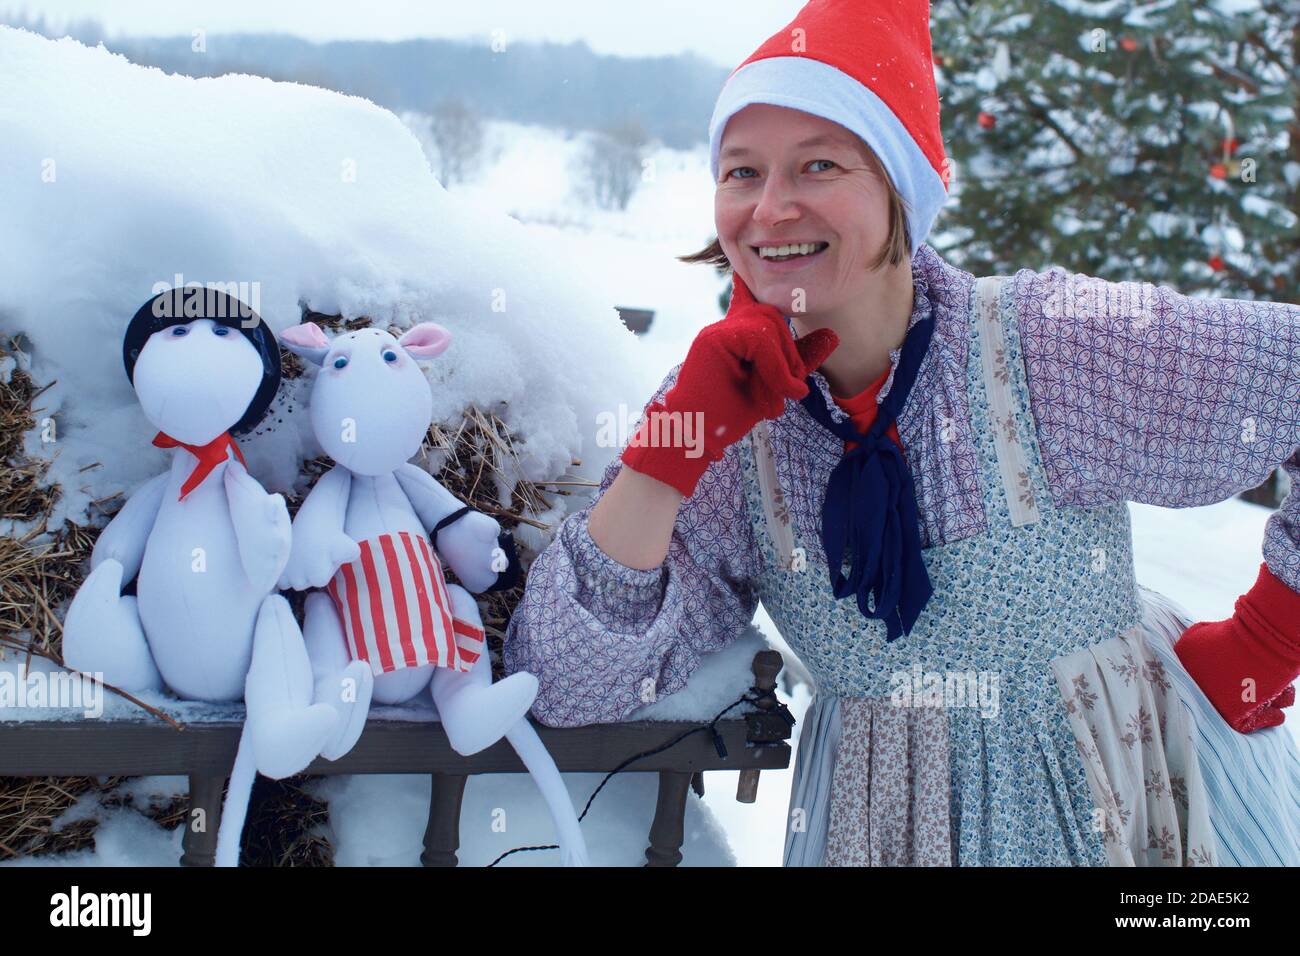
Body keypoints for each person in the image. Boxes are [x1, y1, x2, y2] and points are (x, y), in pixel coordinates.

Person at [504, 0, 1300, 866]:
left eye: (818, 164)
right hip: (875, 824)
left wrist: (1266, 639)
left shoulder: (1048, 342)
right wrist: (669, 453)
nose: (770, 209)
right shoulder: (723, 418)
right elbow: (567, 685)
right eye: (741, 173)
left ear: (898, 188)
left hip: (1114, 796)